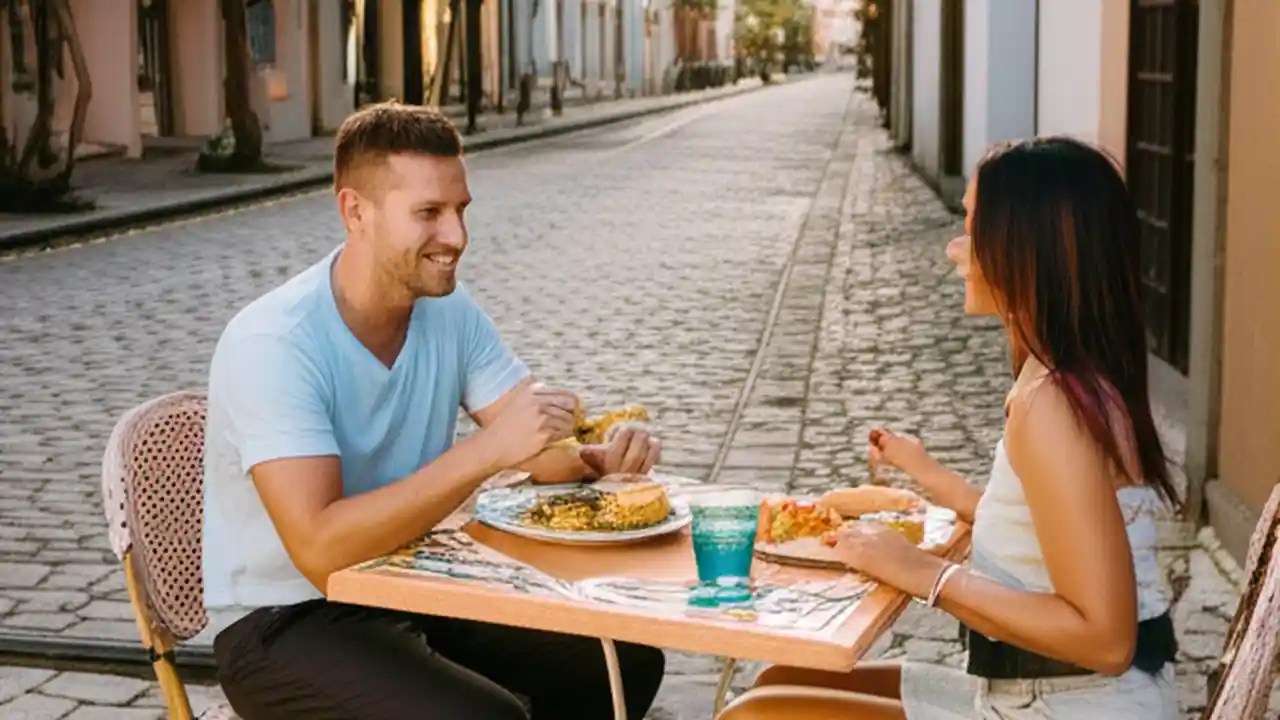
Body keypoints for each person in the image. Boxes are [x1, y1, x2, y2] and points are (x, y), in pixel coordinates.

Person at [201, 102, 666, 720]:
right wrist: (484, 454)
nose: (457, 237)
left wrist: (592, 458)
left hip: (408, 582)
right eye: (428, 213)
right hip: (284, 621)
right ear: (354, 211)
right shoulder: (275, 342)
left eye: (460, 210)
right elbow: (319, 550)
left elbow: (527, 437)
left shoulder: (448, 309)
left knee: (627, 662)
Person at [723, 137, 1181, 719]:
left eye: (971, 226)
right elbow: (1038, 526)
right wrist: (925, 473)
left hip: (1075, 703)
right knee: (780, 678)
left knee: (757, 715)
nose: (954, 249)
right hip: (1054, 690)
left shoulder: (1056, 405)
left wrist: (922, 573)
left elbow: (1107, 640)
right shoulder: (1067, 380)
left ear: (1025, 249)